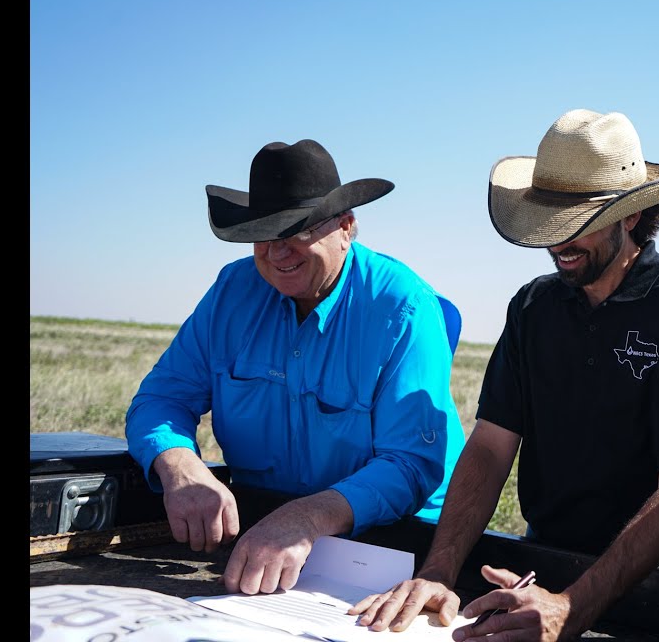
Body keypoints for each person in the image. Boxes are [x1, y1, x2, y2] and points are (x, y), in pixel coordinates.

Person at [348, 109, 659, 641]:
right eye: (552, 218)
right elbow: (489, 446)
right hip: (540, 556)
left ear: (631, 216)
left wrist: (573, 607)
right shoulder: (534, 307)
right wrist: (439, 570)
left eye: (581, 221)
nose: (560, 241)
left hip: (653, 584)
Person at [125, 139, 466, 595]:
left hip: (396, 544)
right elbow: (161, 399)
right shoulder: (232, 291)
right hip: (265, 535)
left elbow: (409, 465)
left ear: (347, 226)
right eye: (264, 233)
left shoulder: (404, 306)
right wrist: (180, 465)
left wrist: (308, 519)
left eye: (299, 231)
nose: (278, 251)